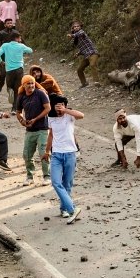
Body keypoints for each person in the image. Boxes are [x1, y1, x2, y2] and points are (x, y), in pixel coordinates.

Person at [42, 94, 84, 224]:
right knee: (55, 182)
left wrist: (65, 110)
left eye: (62, 104)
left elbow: (81, 115)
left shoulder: (69, 116)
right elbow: (51, 135)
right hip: (57, 155)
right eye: (57, 105)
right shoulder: (51, 119)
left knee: (67, 184)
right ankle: (72, 209)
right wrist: (47, 151)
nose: (59, 107)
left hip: (70, 154)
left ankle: (64, 209)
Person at [16, 75, 51, 185]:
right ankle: (29, 176)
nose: (31, 85)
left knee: (43, 153)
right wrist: (22, 120)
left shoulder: (40, 93)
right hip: (30, 130)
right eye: (28, 83)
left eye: (32, 83)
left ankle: (47, 176)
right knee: (27, 154)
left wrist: (35, 119)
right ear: (23, 85)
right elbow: (18, 112)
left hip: (42, 129)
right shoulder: (21, 96)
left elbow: (48, 108)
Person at [0, 30, 33, 109]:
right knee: (17, 88)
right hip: (19, 69)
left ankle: (9, 90)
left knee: (10, 86)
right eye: (20, 38)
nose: (20, 39)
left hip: (9, 69)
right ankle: (14, 108)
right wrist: (22, 49)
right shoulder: (21, 46)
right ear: (17, 38)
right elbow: (30, 50)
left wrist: (1, 62)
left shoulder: (5, 45)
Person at [68, 20, 99, 88]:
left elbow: (78, 34)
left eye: (77, 26)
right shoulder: (75, 39)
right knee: (79, 70)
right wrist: (78, 54)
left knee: (93, 65)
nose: (76, 27)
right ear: (72, 28)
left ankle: (96, 82)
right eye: (74, 27)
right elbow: (82, 48)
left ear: (80, 27)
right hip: (86, 56)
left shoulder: (82, 32)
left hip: (93, 53)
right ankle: (84, 83)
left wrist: (72, 35)